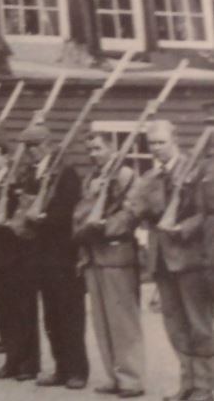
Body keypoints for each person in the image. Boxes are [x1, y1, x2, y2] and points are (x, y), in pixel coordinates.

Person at [125, 122, 212, 401]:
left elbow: (205, 214)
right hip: (161, 261)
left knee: (199, 325)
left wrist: (181, 228)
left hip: (189, 259)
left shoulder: (196, 170)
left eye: (161, 142)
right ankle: (187, 383)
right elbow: (137, 212)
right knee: (175, 325)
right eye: (152, 143)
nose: (156, 148)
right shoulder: (150, 177)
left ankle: (204, 386)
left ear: (175, 139)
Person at [74, 131, 144, 399]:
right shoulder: (91, 178)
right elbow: (81, 211)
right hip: (93, 255)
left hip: (116, 254)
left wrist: (103, 227)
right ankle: (113, 376)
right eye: (90, 149)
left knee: (123, 321)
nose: (93, 154)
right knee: (102, 320)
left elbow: (129, 212)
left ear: (112, 148)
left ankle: (131, 378)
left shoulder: (125, 174)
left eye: (98, 148)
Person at [22, 123, 88, 390]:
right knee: (51, 316)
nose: (31, 152)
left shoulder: (66, 173)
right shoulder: (32, 175)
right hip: (40, 256)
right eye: (28, 147)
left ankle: (78, 371)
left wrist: (42, 218)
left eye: (36, 146)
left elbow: (70, 212)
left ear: (49, 144)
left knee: (70, 314)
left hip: (63, 255)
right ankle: (60, 367)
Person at [0, 141, 40, 383]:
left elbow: (25, 221)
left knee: (23, 312)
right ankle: (12, 361)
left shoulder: (18, 183)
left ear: (5, 157)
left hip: (18, 258)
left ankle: (29, 364)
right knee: (3, 314)